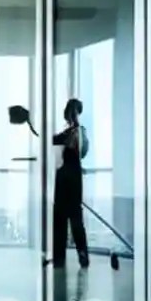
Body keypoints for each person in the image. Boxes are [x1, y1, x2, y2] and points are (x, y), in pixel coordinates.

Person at [52, 98, 90, 269]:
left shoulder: (77, 132)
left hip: (69, 177)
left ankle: (74, 256)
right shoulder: (75, 132)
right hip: (68, 177)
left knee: (69, 217)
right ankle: (72, 256)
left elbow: (76, 148)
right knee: (67, 217)